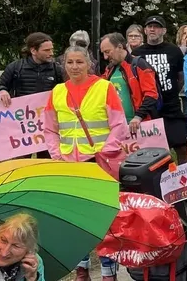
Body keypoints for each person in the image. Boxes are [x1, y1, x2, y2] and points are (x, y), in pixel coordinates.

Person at [43, 46, 129, 281]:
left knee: (103, 219)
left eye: (79, 62)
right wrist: (56, 154)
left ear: (89, 64)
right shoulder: (58, 91)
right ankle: (81, 268)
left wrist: (105, 149)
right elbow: (50, 128)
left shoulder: (104, 87)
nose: (74, 67)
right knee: (77, 218)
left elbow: (119, 125)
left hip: (99, 163)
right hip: (70, 165)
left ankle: (108, 270)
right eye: (69, 62)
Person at [133, 16, 187, 163]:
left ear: (163, 31)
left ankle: (185, 182)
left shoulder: (174, 51)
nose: (152, 29)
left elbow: (181, 76)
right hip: (149, 109)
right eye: (149, 26)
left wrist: (172, 91)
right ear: (144, 30)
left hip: (171, 107)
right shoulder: (137, 53)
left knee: (182, 147)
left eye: (156, 26)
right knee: (152, 153)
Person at [0, 32, 64, 107]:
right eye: (46, 50)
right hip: (22, 114)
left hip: (47, 113)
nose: (51, 53)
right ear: (33, 51)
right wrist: (1, 91)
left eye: (52, 49)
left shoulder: (57, 69)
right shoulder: (16, 67)